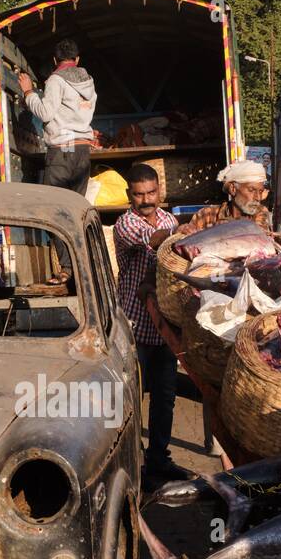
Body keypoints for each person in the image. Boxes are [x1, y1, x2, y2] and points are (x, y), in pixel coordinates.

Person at [112, 163, 189, 490]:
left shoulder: (170, 219)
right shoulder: (125, 224)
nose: (146, 200)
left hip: (165, 328)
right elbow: (155, 239)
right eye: (139, 194)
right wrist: (193, 228)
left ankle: (158, 458)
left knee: (165, 396)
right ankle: (129, 462)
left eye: (151, 193)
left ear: (160, 191)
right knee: (129, 400)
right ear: (130, 195)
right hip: (135, 326)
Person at [18, 38, 97, 284]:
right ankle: (83, 266)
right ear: (78, 59)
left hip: (62, 151)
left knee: (54, 212)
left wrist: (29, 91)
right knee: (76, 212)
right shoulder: (89, 81)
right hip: (83, 152)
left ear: (55, 60)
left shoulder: (55, 80)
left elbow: (46, 113)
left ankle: (66, 269)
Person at [175, 160, 272, 235]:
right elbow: (188, 242)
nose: (258, 198)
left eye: (260, 191)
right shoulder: (206, 215)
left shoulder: (260, 212)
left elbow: (258, 237)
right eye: (251, 190)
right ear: (233, 189)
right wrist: (183, 230)